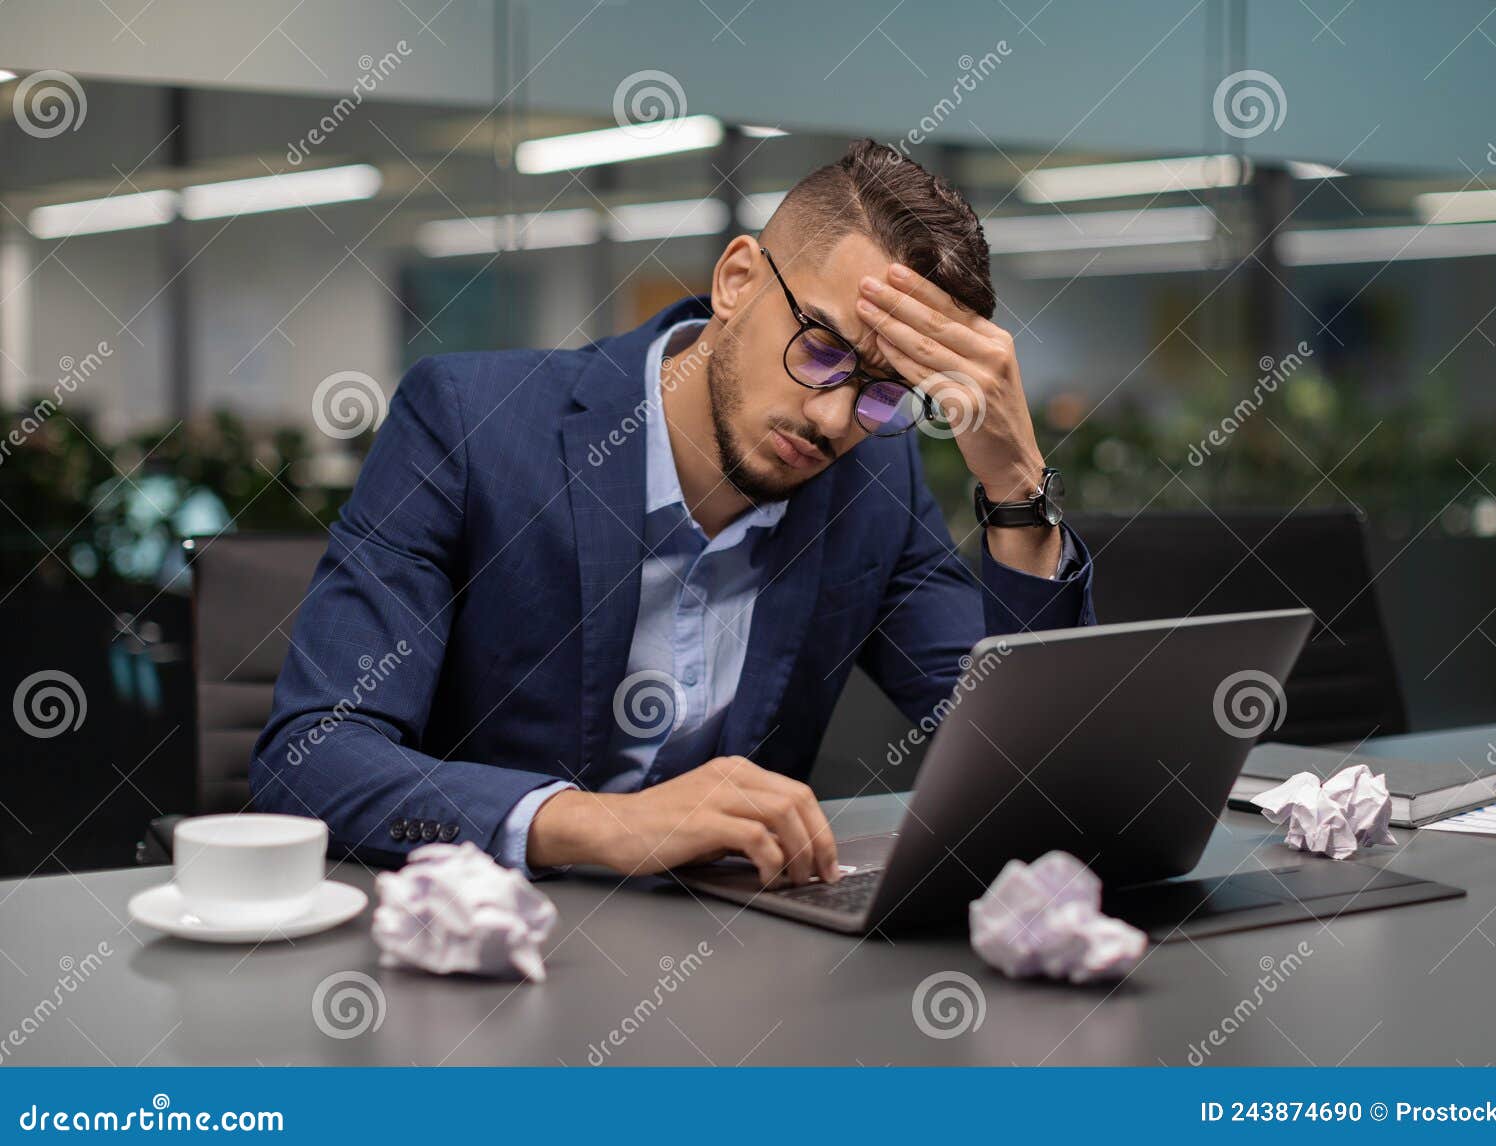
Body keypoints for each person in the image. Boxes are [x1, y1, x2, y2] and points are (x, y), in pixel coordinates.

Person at [252, 139, 1094, 890]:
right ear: (736, 281)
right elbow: (310, 760)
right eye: (822, 349)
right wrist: (603, 825)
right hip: (485, 962)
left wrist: (1019, 483)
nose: (837, 420)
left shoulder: (875, 478)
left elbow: (1036, 774)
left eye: (884, 390)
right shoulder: (470, 425)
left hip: (736, 983)